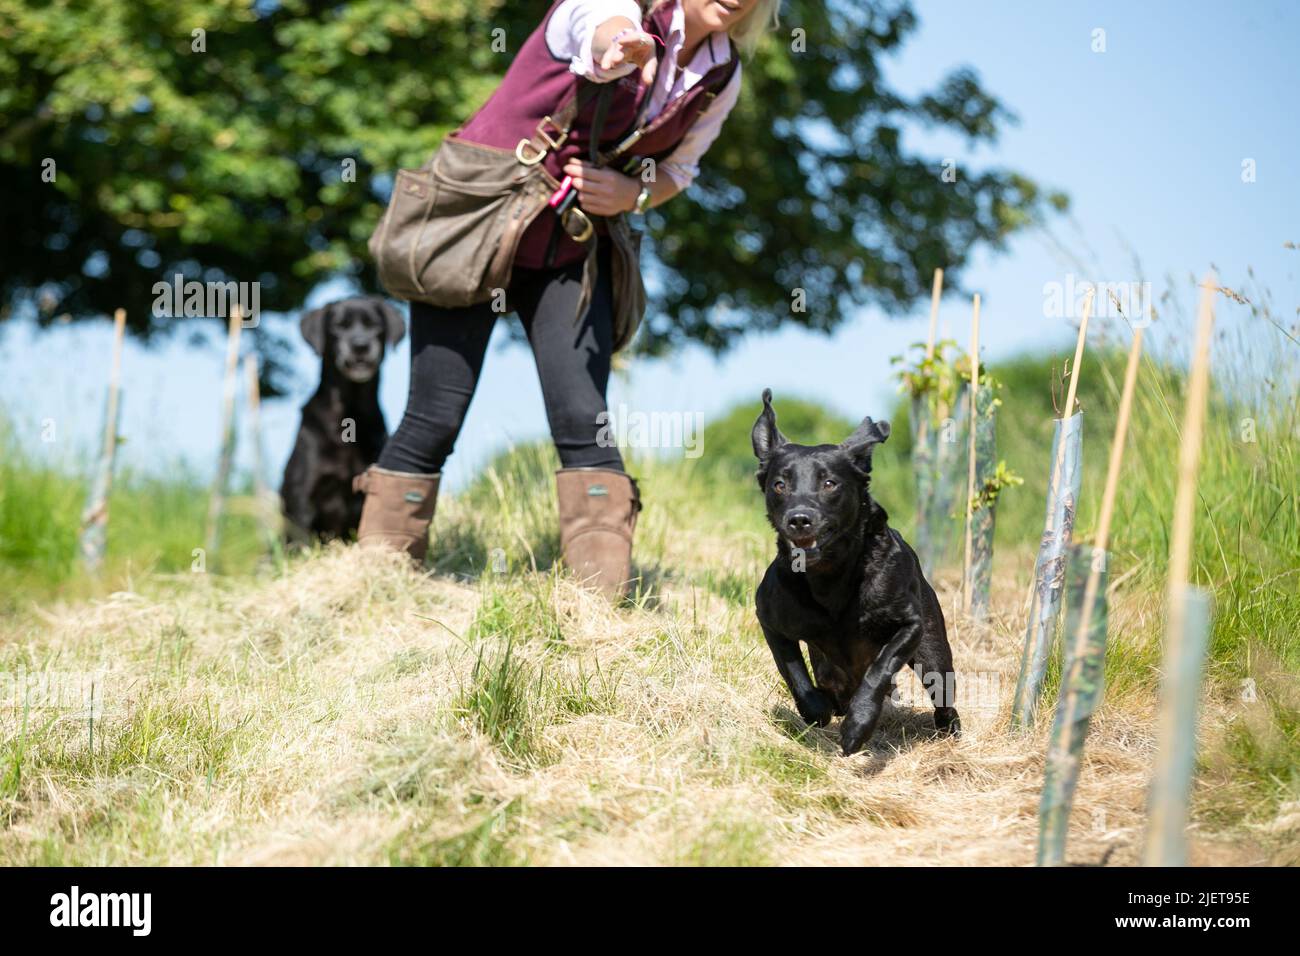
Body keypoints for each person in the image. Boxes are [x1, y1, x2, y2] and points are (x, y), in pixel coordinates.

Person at [355, 0, 780, 597]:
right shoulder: (611, 8)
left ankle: (597, 610)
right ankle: (375, 590)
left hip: (569, 247)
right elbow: (600, 34)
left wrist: (632, 193)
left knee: (588, 423)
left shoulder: (722, 73)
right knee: (434, 419)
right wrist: (622, 47)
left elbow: (679, 172)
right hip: (476, 224)